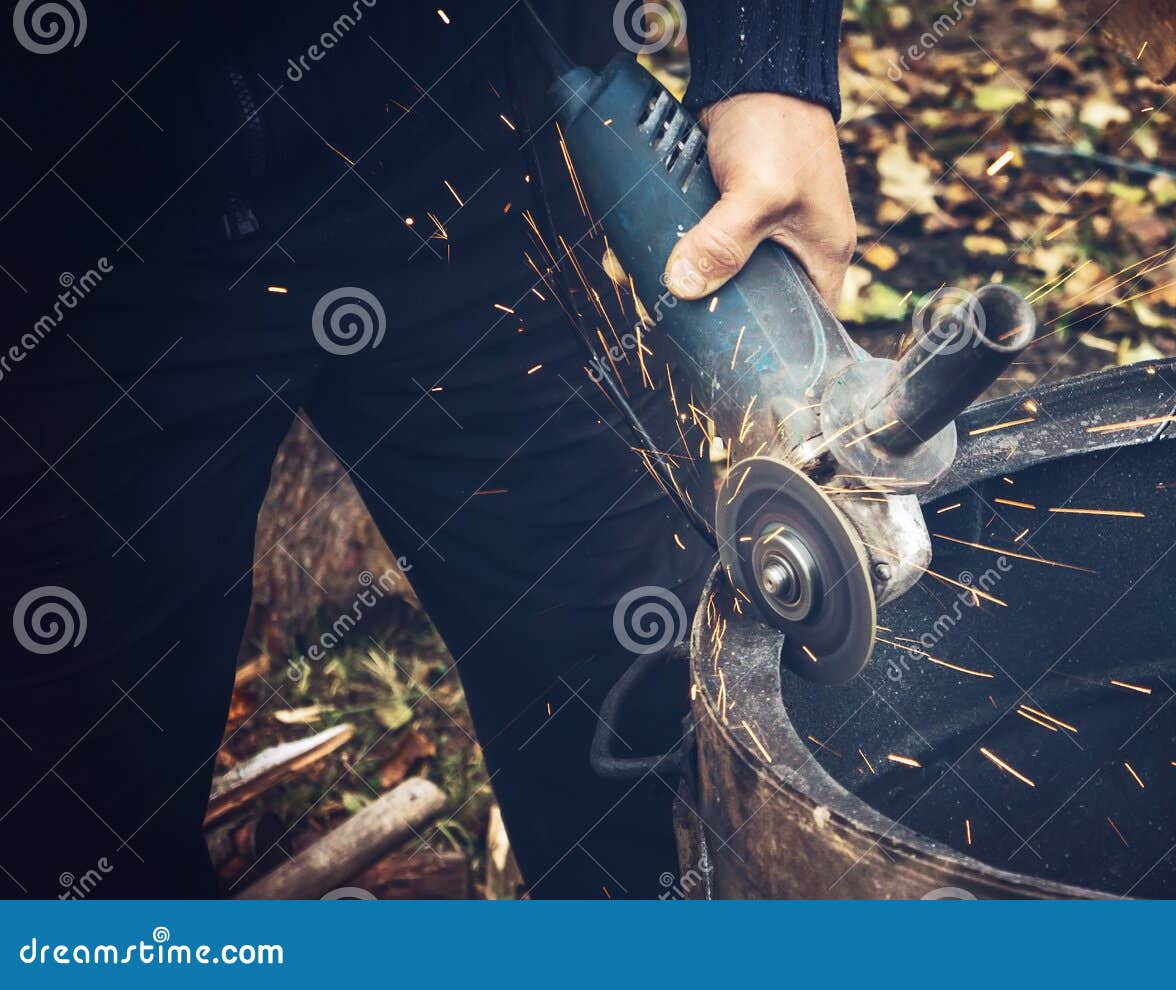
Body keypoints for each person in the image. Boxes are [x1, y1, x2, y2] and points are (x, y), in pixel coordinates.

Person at [0, 0, 853, 898]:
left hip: (463, 137)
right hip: (60, 233)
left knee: (644, 673)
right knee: (69, 805)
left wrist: (769, 61)